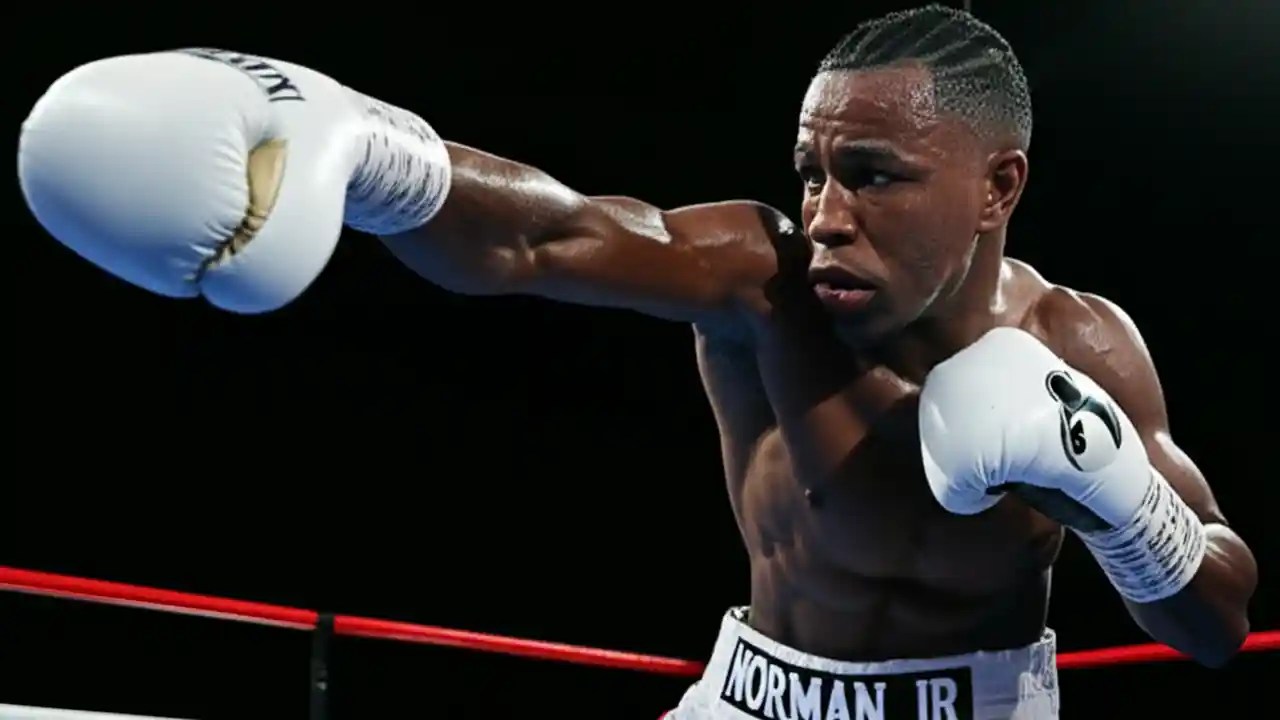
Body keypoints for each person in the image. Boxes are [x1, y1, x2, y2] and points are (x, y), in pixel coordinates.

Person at [17, 5, 1258, 719]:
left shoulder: (1074, 348)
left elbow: (1214, 621)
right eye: (812, 170)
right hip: (754, 700)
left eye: (871, 176)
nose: (825, 211)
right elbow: (552, 233)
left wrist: (1113, 494)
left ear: (999, 187)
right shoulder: (759, 283)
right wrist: (378, 161)